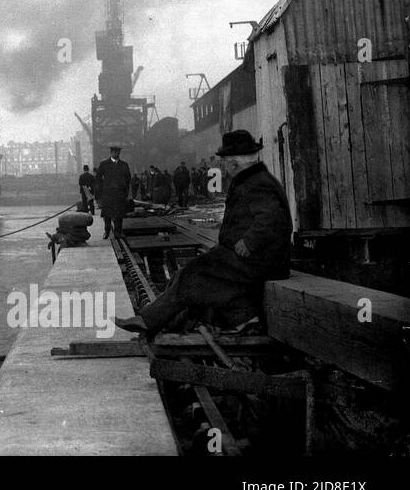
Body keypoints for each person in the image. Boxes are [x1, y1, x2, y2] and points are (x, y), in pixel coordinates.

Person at [116, 130, 292, 336]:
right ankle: (167, 322)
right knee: (192, 275)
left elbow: (272, 218)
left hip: (260, 260)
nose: (224, 167)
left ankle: (150, 321)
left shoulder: (256, 184)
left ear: (234, 163)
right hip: (256, 257)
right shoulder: (254, 179)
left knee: (193, 274)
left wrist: (249, 241)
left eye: (225, 162)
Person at [95, 145, 131, 238]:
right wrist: (100, 194)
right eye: (115, 152)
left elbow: (128, 179)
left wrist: (125, 191)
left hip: (119, 193)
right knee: (107, 214)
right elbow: (98, 179)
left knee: (119, 214)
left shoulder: (124, 165)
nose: (116, 154)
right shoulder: (104, 164)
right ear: (111, 153)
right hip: (108, 193)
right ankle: (107, 231)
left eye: (118, 152)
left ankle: (118, 232)